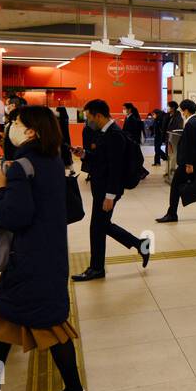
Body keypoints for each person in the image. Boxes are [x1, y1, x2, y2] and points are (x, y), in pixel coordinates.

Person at [0, 106, 86, 391]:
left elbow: (15, 216)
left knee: (50, 324)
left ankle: (74, 389)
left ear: (31, 131)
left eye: (16, 122)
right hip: (47, 252)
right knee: (2, 316)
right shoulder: (52, 158)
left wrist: (0, 190)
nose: (10, 126)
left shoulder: (21, 166)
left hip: (31, 257)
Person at [72, 100, 149, 281]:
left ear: (98, 115)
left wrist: (110, 196)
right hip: (102, 187)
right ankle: (140, 245)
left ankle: (97, 268)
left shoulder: (114, 135)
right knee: (101, 226)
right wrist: (84, 154)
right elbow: (101, 159)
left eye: (89, 117)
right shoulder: (104, 132)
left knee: (97, 227)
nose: (88, 121)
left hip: (108, 190)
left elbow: (115, 168)